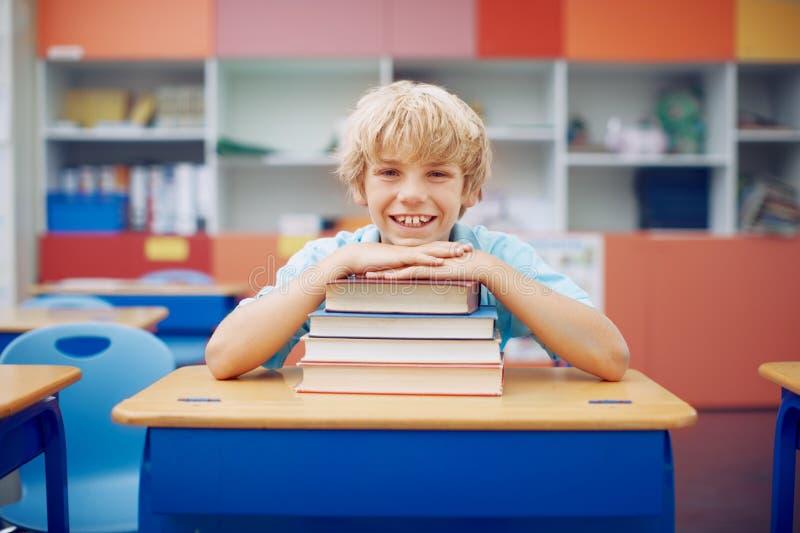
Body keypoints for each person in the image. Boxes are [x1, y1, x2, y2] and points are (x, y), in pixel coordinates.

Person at [205, 81, 629, 381]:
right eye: (389, 172)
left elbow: (610, 358)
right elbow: (224, 358)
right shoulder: (328, 258)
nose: (411, 195)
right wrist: (336, 268)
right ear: (359, 186)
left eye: (437, 174)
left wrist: (490, 272)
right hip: (351, 442)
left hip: (463, 442)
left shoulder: (498, 255)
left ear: (471, 189)